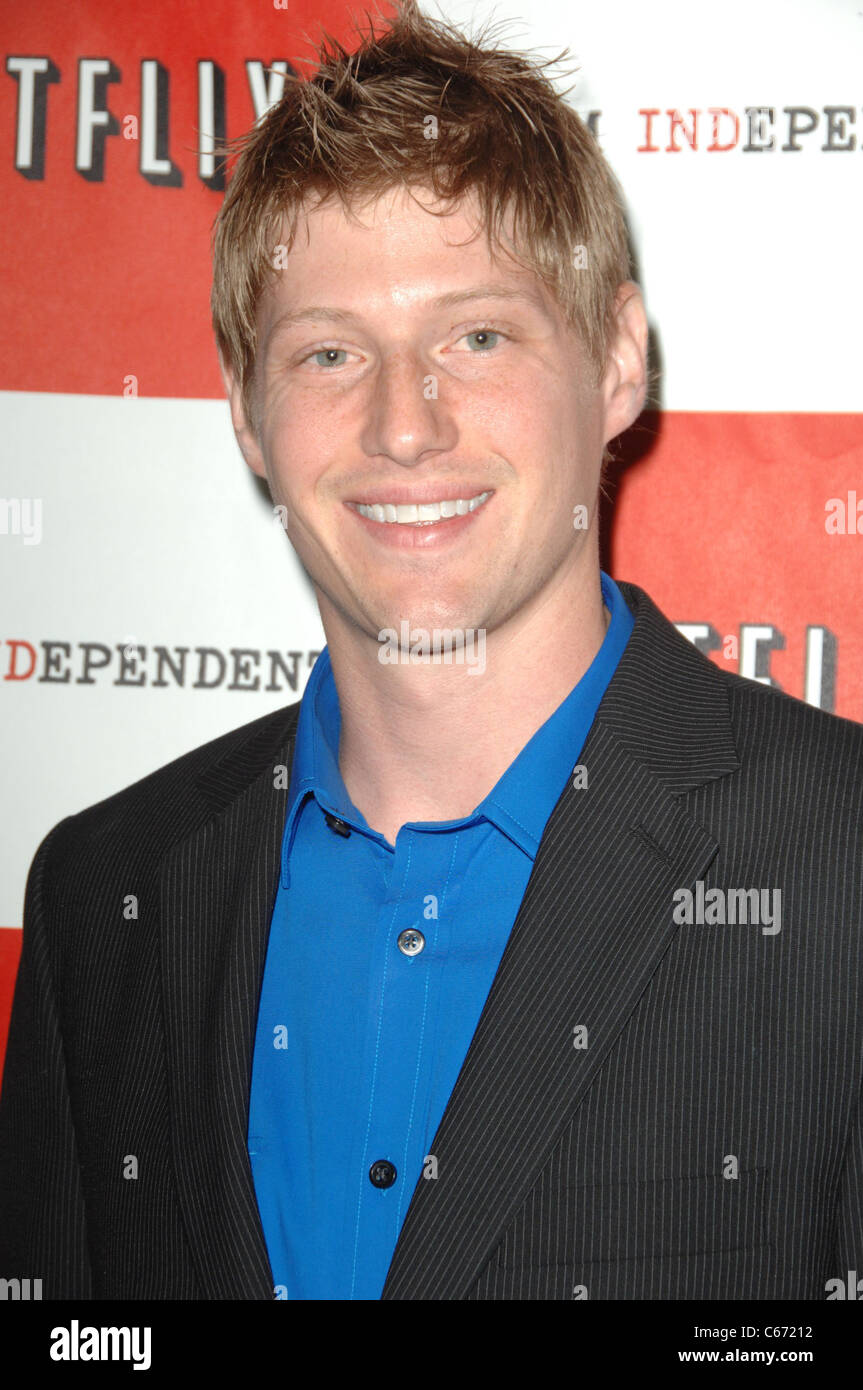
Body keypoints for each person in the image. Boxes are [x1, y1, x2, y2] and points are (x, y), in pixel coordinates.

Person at [1, 0, 861, 1302]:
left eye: (477, 336)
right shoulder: (102, 897)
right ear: (247, 417)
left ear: (618, 361)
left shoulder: (842, 866)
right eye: (332, 351)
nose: (406, 425)